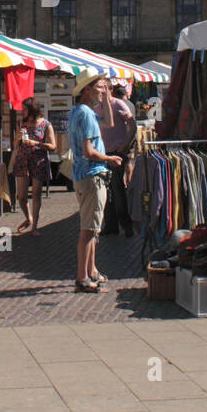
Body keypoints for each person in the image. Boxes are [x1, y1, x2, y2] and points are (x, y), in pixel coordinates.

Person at [68, 68, 121, 293]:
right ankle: (82, 277)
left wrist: (107, 98)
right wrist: (109, 157)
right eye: (99, 88)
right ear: (87, 90)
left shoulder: (79, 111)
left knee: (92, 227)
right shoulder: (86, 114)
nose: (103, 92)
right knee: (89, 229)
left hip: (84, 176)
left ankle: (92, 271)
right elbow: (88, 151)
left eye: (106, 88)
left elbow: (109, 123)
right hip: (92, 175)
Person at [99, 81, 138, 238]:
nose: (101, 92)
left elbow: (132, 124)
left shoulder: (119, 104)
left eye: (103, 89)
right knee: (105, 191)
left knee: (117, 189)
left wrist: (125, 144)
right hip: (103, 154)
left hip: (117, 152)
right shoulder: (97, 107)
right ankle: (110, 225)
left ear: (110, 89)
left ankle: (126, 225)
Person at [11, 97, 55, 235]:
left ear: (32, 110)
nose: (22, 111)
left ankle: (35, 226)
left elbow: (53, 146)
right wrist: (18, 138)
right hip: (23, 161)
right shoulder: (21, 123)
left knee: (36, 194)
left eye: (25, 109)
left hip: (38, 161)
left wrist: (36, 144)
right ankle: (28, 218)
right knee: (22, 196)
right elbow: (15, 145)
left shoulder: (45, 124)